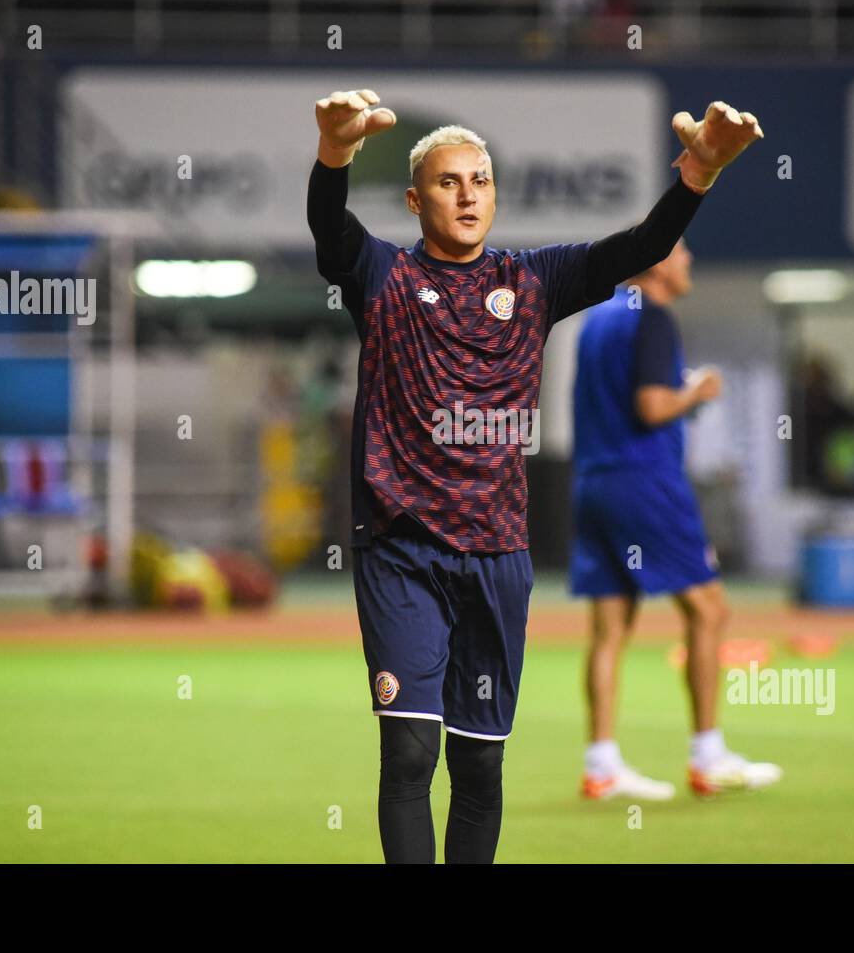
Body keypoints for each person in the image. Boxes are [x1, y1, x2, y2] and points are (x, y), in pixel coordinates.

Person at [306, 87, 763, 861]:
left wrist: (700, 174)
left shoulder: (533, 282)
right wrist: (334, 155)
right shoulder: (381, 276)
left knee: (481, 761)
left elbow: (638, 247)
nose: (468, 194)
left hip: (498, 553)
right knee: (412, 752)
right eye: (449, 182)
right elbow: (328, 229)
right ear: (416, 199)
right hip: (401, 549)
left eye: (480, 179)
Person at [571, 240, 781, 800]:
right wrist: (698, 390)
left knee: (609, 628)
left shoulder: (598, 318)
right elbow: (652, 407)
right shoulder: (654, 317)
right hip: (643, 480)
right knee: (710, 610)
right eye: (683, 253)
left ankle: (601, 764)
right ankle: (708, 755)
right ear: (659, 261)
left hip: (593, 481)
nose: (689, 261)